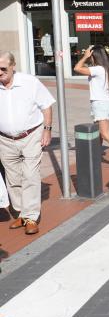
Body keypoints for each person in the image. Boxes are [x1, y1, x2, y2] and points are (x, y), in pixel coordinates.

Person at [0, 51, 55, 235]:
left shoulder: (30, 82)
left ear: (13, 65)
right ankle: (21, 214)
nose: (0, 72)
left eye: (3, 68)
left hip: (31, 135)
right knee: (13, 178)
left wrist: (47, 130)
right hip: (5, 139)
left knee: (30, 175)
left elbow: (46, 106)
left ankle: (31, 217)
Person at [73, 46, 109, 163]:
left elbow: (77, 68)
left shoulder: (98, 69)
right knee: (99, 132)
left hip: (100, 103)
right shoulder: (107, 68)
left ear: (94, 56)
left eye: (91, 56)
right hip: (105, 102)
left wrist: (84, 57)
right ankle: (94, 156)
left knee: (105, 134)